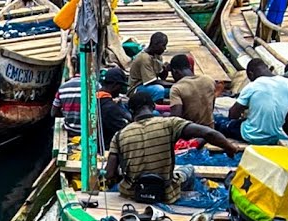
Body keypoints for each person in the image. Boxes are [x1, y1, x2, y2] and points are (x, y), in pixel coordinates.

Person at [105, 91, 245, 203]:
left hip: (132, 193)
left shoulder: (120, 135)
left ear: (131, 111)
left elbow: (110, 174)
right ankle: (188, 195)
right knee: (188, 169)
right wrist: (229, 148)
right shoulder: (170, 124)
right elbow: (208, 133)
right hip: (165, 193)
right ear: (153, 107)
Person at [229, 58, 288, 145]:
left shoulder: (252, 86)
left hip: (251, 136)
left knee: (221, 123)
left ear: (251, 74)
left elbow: (232, 114)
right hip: (275, 135)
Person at [167, 53, 217, 126]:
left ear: (175, 71)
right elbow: (211, 107)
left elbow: (176, 118)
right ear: (190, 67)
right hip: (210, 127)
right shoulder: (208, 80)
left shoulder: (177, 88)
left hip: (191, 131)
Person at [128, 31, 170, 101]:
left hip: (149, 86)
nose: (165, 48)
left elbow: (162, 77)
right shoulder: (144, 58)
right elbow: (151, 81)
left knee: (172, 91)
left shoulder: (157, 56)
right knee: (159, 90)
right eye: (163, 45)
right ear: (155, 44)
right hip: (137, 88)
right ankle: (154, 107)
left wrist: (165, 69)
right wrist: (173, 84)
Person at [97, 67, 133, 145]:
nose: (120, 90)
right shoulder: (110, 107)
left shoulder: (95, 99)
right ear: (114, 85)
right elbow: (124, 131)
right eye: (120, 86)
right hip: (107, 146)